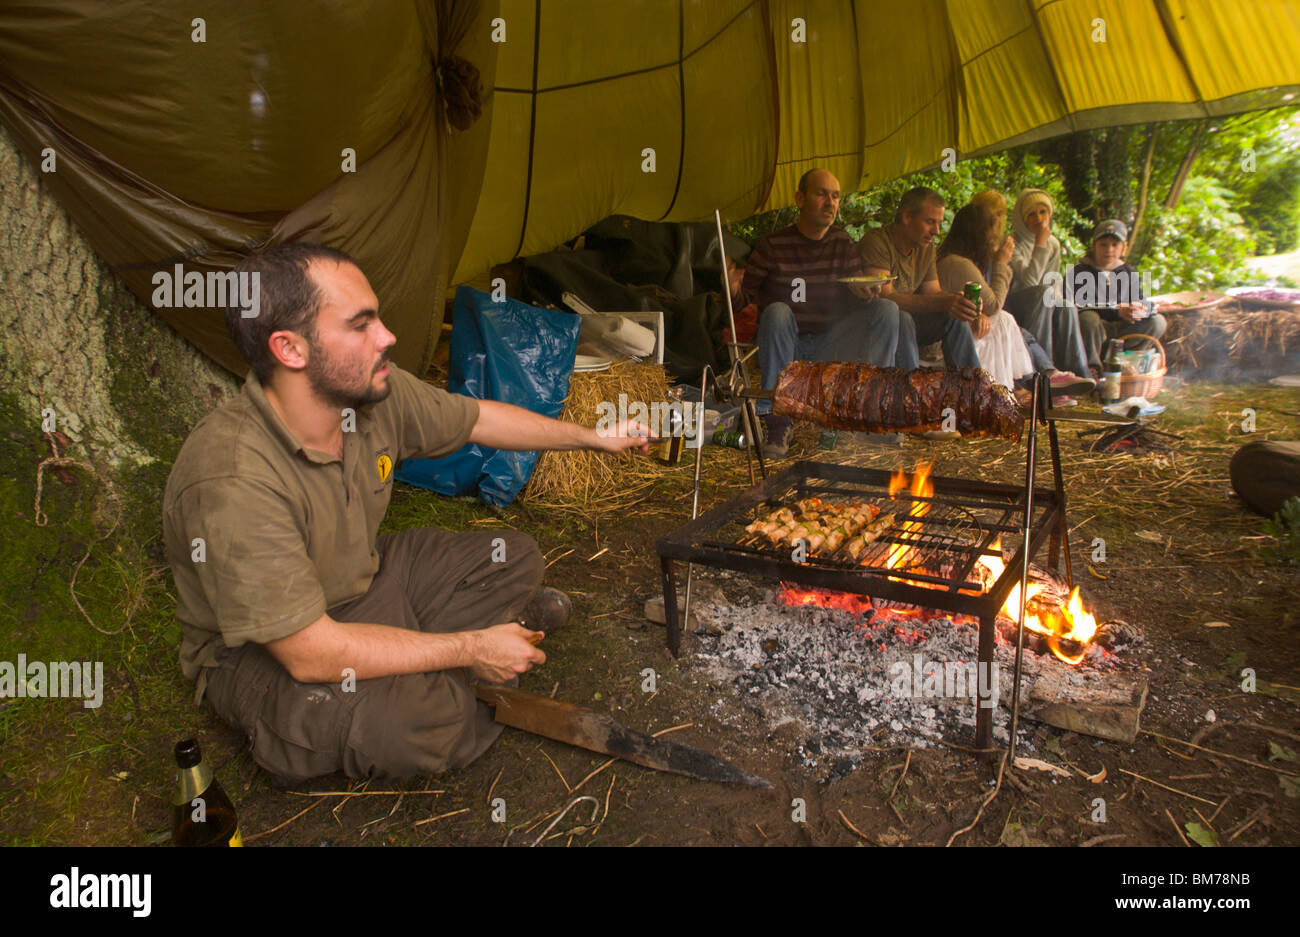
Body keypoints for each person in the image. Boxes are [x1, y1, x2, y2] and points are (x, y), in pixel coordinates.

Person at [162, 243, 650, 781]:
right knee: (423, 725)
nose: (388, 336)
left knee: (511, 556)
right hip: (270, 652)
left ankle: (430, 663)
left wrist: (591, 438)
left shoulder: (369, 397)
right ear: (291, 350)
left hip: (364, 585)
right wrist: (470, 645)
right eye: (361, 324)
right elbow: (309, 653)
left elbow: (477, 419)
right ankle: (449, 680)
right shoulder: (234, 476)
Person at [744, 168, 904, 457]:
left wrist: (865, 295)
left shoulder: (842, 244)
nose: (830, 203)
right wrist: (730, 288)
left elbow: (858, 296)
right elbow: (742, 297)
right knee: (778, 311)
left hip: (831, 344)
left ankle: (872, 413)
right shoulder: (773, 245)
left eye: (836, 196)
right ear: (800, 199)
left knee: (887, 309)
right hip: (788, 347)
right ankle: (778, 417)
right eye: (821, 194)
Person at [858, 187, 981, 373]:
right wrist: (946, 301)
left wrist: (961, 303)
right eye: (930, 222)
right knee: (902, 317)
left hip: (912, 323)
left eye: (939, 223)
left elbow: (933, 293)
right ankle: (913, 390)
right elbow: (886, 296)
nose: (937, 231)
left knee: (955, 315)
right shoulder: (877, 242)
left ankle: (973, 387)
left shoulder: (925, 247)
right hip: (876, 327)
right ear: (907, 217)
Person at [935, 203, 1034, 393]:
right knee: (1003, 320)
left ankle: (1007, 389)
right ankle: (993, 392)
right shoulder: (958, 264)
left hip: (958, 330)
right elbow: (994, 305)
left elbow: (985, 305)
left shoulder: (965, 260)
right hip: (945, 342)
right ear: (979, 234)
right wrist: (1001, 264)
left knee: (1003, 321)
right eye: (992, 232)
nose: (996, 238)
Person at [1006, 188, 1093, 398]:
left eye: (1043, 212)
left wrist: (1061, 302)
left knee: (1066, 305)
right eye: (1032, 214)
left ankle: (1080, 376)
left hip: (1042, 299)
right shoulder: (1011, 243)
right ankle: (1042, 376)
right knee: (1043, 295)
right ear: (1022, 218)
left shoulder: (1053, 243)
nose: (1038, 218)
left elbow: (1052, 280)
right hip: (1014, 303)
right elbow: (1030, 282)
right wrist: (1040, 244)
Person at [1066, 219, 1167, 374]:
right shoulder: (1079, 272)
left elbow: (1142, 299)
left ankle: (1127, 363)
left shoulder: (1127, 272)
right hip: (1095, 332)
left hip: (1122, 332)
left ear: (1124, 247)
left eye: (1115, 245)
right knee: (1088, 318)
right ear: (1093, 246)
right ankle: (1092, 369)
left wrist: (1138, 309)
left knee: (1158, 321)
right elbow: (1081, 305)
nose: (1109, 249)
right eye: (1103, 244)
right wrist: (1117, 310)